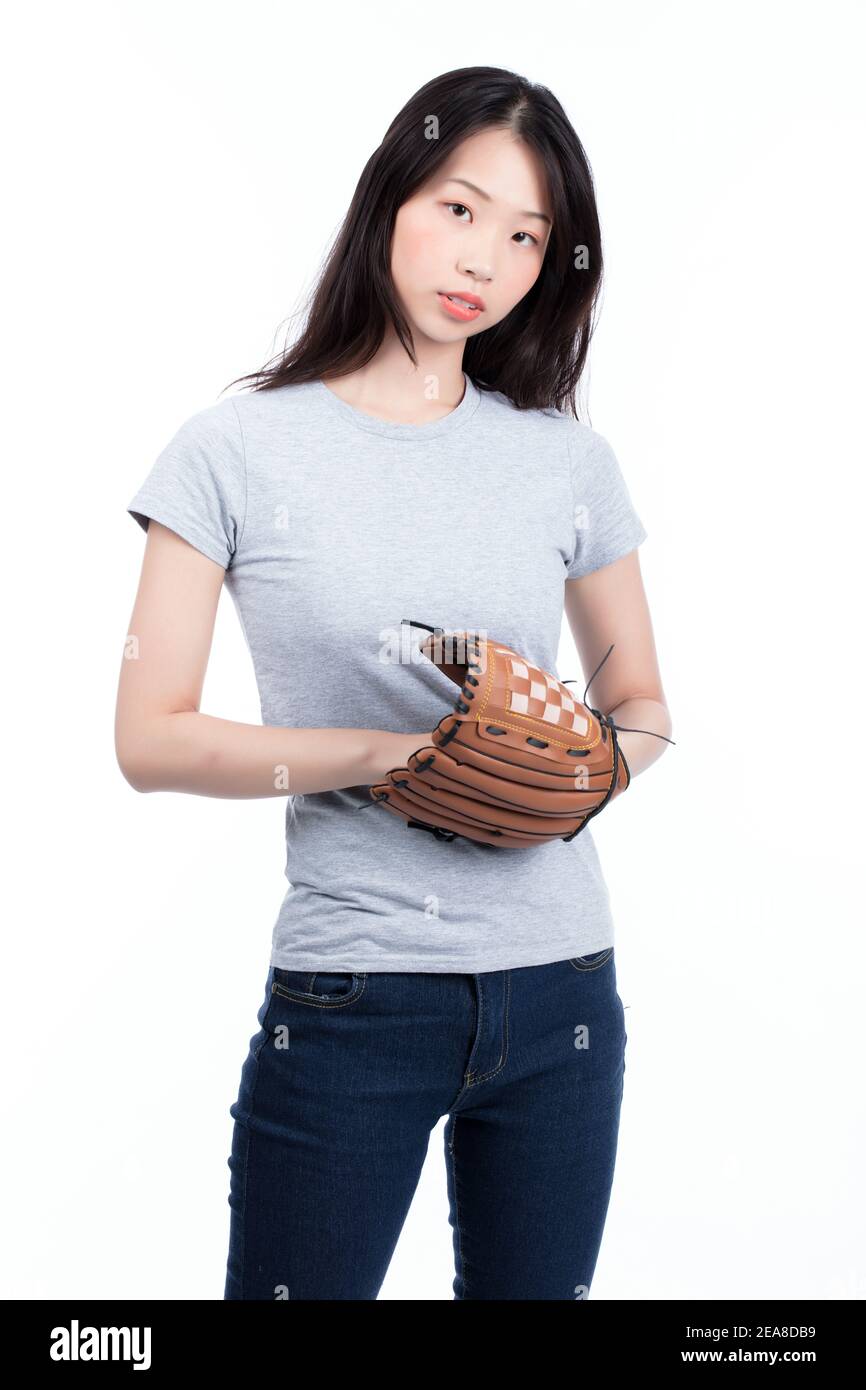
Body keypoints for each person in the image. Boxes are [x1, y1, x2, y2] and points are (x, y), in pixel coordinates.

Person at [115, 65, 673, 1301]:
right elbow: (149, 738)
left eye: (528, 236)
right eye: (460, 208)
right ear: (390, 199)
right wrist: (390, 759)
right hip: (350, 999)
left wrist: (571, 776)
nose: (486, 258)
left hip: (563, 987)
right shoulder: (234, 451)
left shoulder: (564, 460)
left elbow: (640, 712)